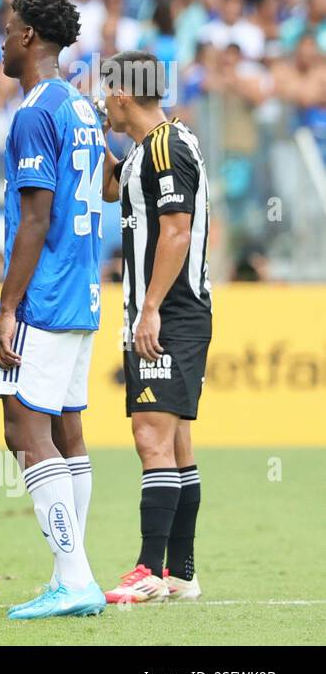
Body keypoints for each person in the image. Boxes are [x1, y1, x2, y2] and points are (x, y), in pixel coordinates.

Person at [0, 0, 107, 620]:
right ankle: (77, 571)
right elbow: (110, 186)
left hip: (47, 293)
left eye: (9, 32)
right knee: (66, 426)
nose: (3, 43)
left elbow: (34, 219)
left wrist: (8, 307)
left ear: (31, 36)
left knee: (24, 428)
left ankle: (72, 577)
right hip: (84, 290)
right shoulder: (82, 107)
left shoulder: (36, 111)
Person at [99, 50, 211, 604]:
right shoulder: (146, 148)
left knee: (150, 437)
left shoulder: (165, 147)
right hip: (167, 312)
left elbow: (176, 233)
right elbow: (106, 190)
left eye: (105, 92)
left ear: (123, 92)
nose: (102, 101)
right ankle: (181, 572)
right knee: (176, 441)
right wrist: (101, 137)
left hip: (168, 312)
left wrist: (150, 309)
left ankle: (147, 568)